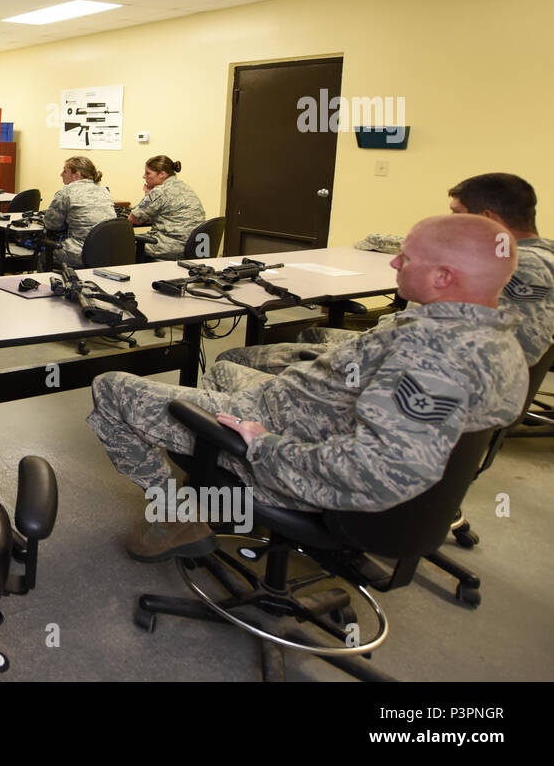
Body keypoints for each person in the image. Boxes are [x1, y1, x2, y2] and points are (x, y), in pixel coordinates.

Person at [87, 214, 527, 563]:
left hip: (283, 448)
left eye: (407, 259)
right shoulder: (497, 340)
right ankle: (213, 482)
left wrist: (265, 447)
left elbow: (382, 472)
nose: (395, 263)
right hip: (297, 413)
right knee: (225, 366)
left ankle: (179, 517)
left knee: (109, 388)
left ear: (444, 277)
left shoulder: (432, 359)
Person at [208, 172, 554, 388]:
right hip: (407, 355)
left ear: (487, 220)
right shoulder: (540, 254)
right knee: (312, 332)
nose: (449, 223)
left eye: (456, 216)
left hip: (398, 368)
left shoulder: (519, 267)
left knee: (235, 358)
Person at [125, 155, 205, 260]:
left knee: (122, 245)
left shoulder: (158, 192)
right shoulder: (185, 187)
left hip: (171, 248)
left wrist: (147, 196)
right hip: (195, 246)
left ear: (162, 174)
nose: (144, 176)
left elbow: (133, 219)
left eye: (148, 173)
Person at [42, 156, 116, 267]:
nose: (61, 175)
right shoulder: (104, 189)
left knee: (44, 256)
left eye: (65, 171)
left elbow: (52, 225)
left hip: (82, 252)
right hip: (108, 251)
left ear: (77, 174)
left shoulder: (66, 191)